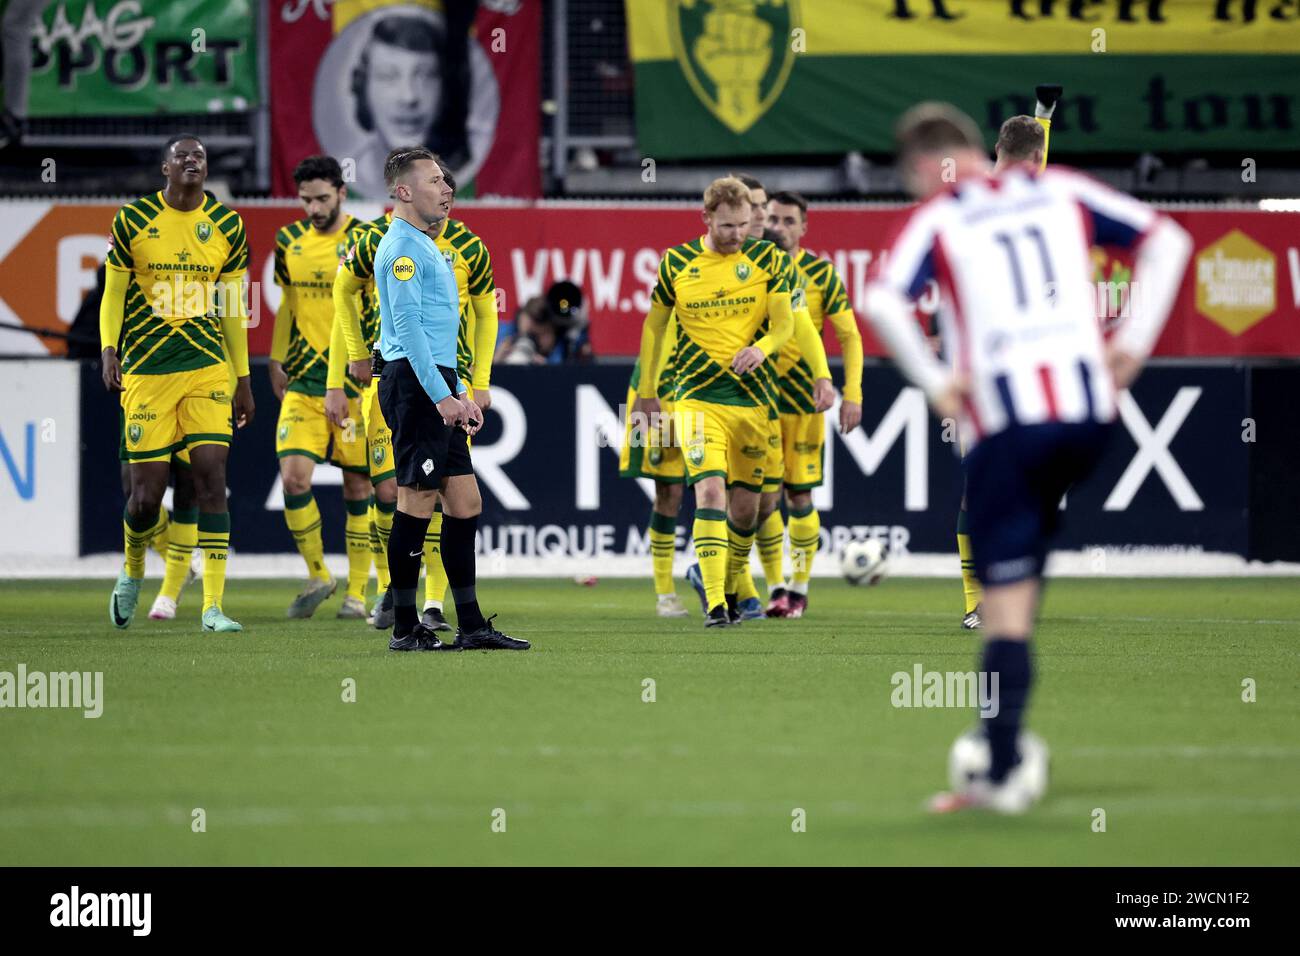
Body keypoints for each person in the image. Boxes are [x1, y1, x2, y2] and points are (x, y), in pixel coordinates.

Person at [863, 102, 1191, 812]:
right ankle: (1004, 749)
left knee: (1005, 610)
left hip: (1008, 425)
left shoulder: (941, 216)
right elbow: (1168, 240)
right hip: (1088, 416)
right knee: (1025, 580)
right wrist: (1130, 346)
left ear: (924, 166)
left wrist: (937, 382)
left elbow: (883, 302)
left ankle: (1003, 767)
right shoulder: (1065, 190)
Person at [372, 145, 526, 651]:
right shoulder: (402, 250)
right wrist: (442, 397)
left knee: (464, 502)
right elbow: (410, 331)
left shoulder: (423, 244)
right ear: (404, 191)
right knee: (416, 501)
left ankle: (473, 625)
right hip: (415, 386)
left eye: (446, 181)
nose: (447, 189)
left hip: (435, 379)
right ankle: (403, 627)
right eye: (436, 181)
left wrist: (461, 391)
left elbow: (438, 334)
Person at [100, 133, 254, 633]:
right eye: (181, 156)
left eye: (200, 156)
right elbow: (113, 294)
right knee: (145, 498)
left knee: (211, 481)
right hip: (146, 372)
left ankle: (212, 606)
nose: (192, 161)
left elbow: (233, 310)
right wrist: (109, 349)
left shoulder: (227, 224)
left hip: (207, 368)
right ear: (164, 169)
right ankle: (133, 569)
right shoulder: (133, 220)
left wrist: (243, 378)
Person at [633, 176, 796, 628]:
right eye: (727, 226)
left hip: (753, 398)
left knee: (748, 508)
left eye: (744, 224)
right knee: (708, 489)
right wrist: (647, 392)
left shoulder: (768, 258)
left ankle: (724, 580)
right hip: (695, 396)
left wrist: (761, 348)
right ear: (706, 218)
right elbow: (654, 328)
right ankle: (717, 606)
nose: (737, 234)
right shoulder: (678, 263)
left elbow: (785, 324)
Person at [958, 85, 1062, 631]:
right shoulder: (1034, 197)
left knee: (987, 485)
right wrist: (1045, 118)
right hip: (1030, 365)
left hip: (984, 365)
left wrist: (1044, 118)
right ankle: (996, 596)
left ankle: (985, 598)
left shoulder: (974, 198)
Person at [270, 155, 375, 620]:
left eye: (322, 199)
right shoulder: (288, 241)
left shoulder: (366, 239)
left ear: (342, 193)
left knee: (358, 484)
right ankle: (318, 573)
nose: (313, 208)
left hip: (352, 383)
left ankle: (357, 592)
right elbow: (288, 304)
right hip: (304, 380)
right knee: (293, 477)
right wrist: (275, 357)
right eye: (306, 200)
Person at [763, 190, 864, 618]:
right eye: (773, 219)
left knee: (798, 495)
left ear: (804, 227)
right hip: (758, 401)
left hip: (803, 400)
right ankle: (773, 588)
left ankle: (799, 589)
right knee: (762, 496)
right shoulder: (749, 269)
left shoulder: (821, 276)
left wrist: (852, 393)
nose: (779, 228)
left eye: (789, 221)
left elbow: (850, 336)